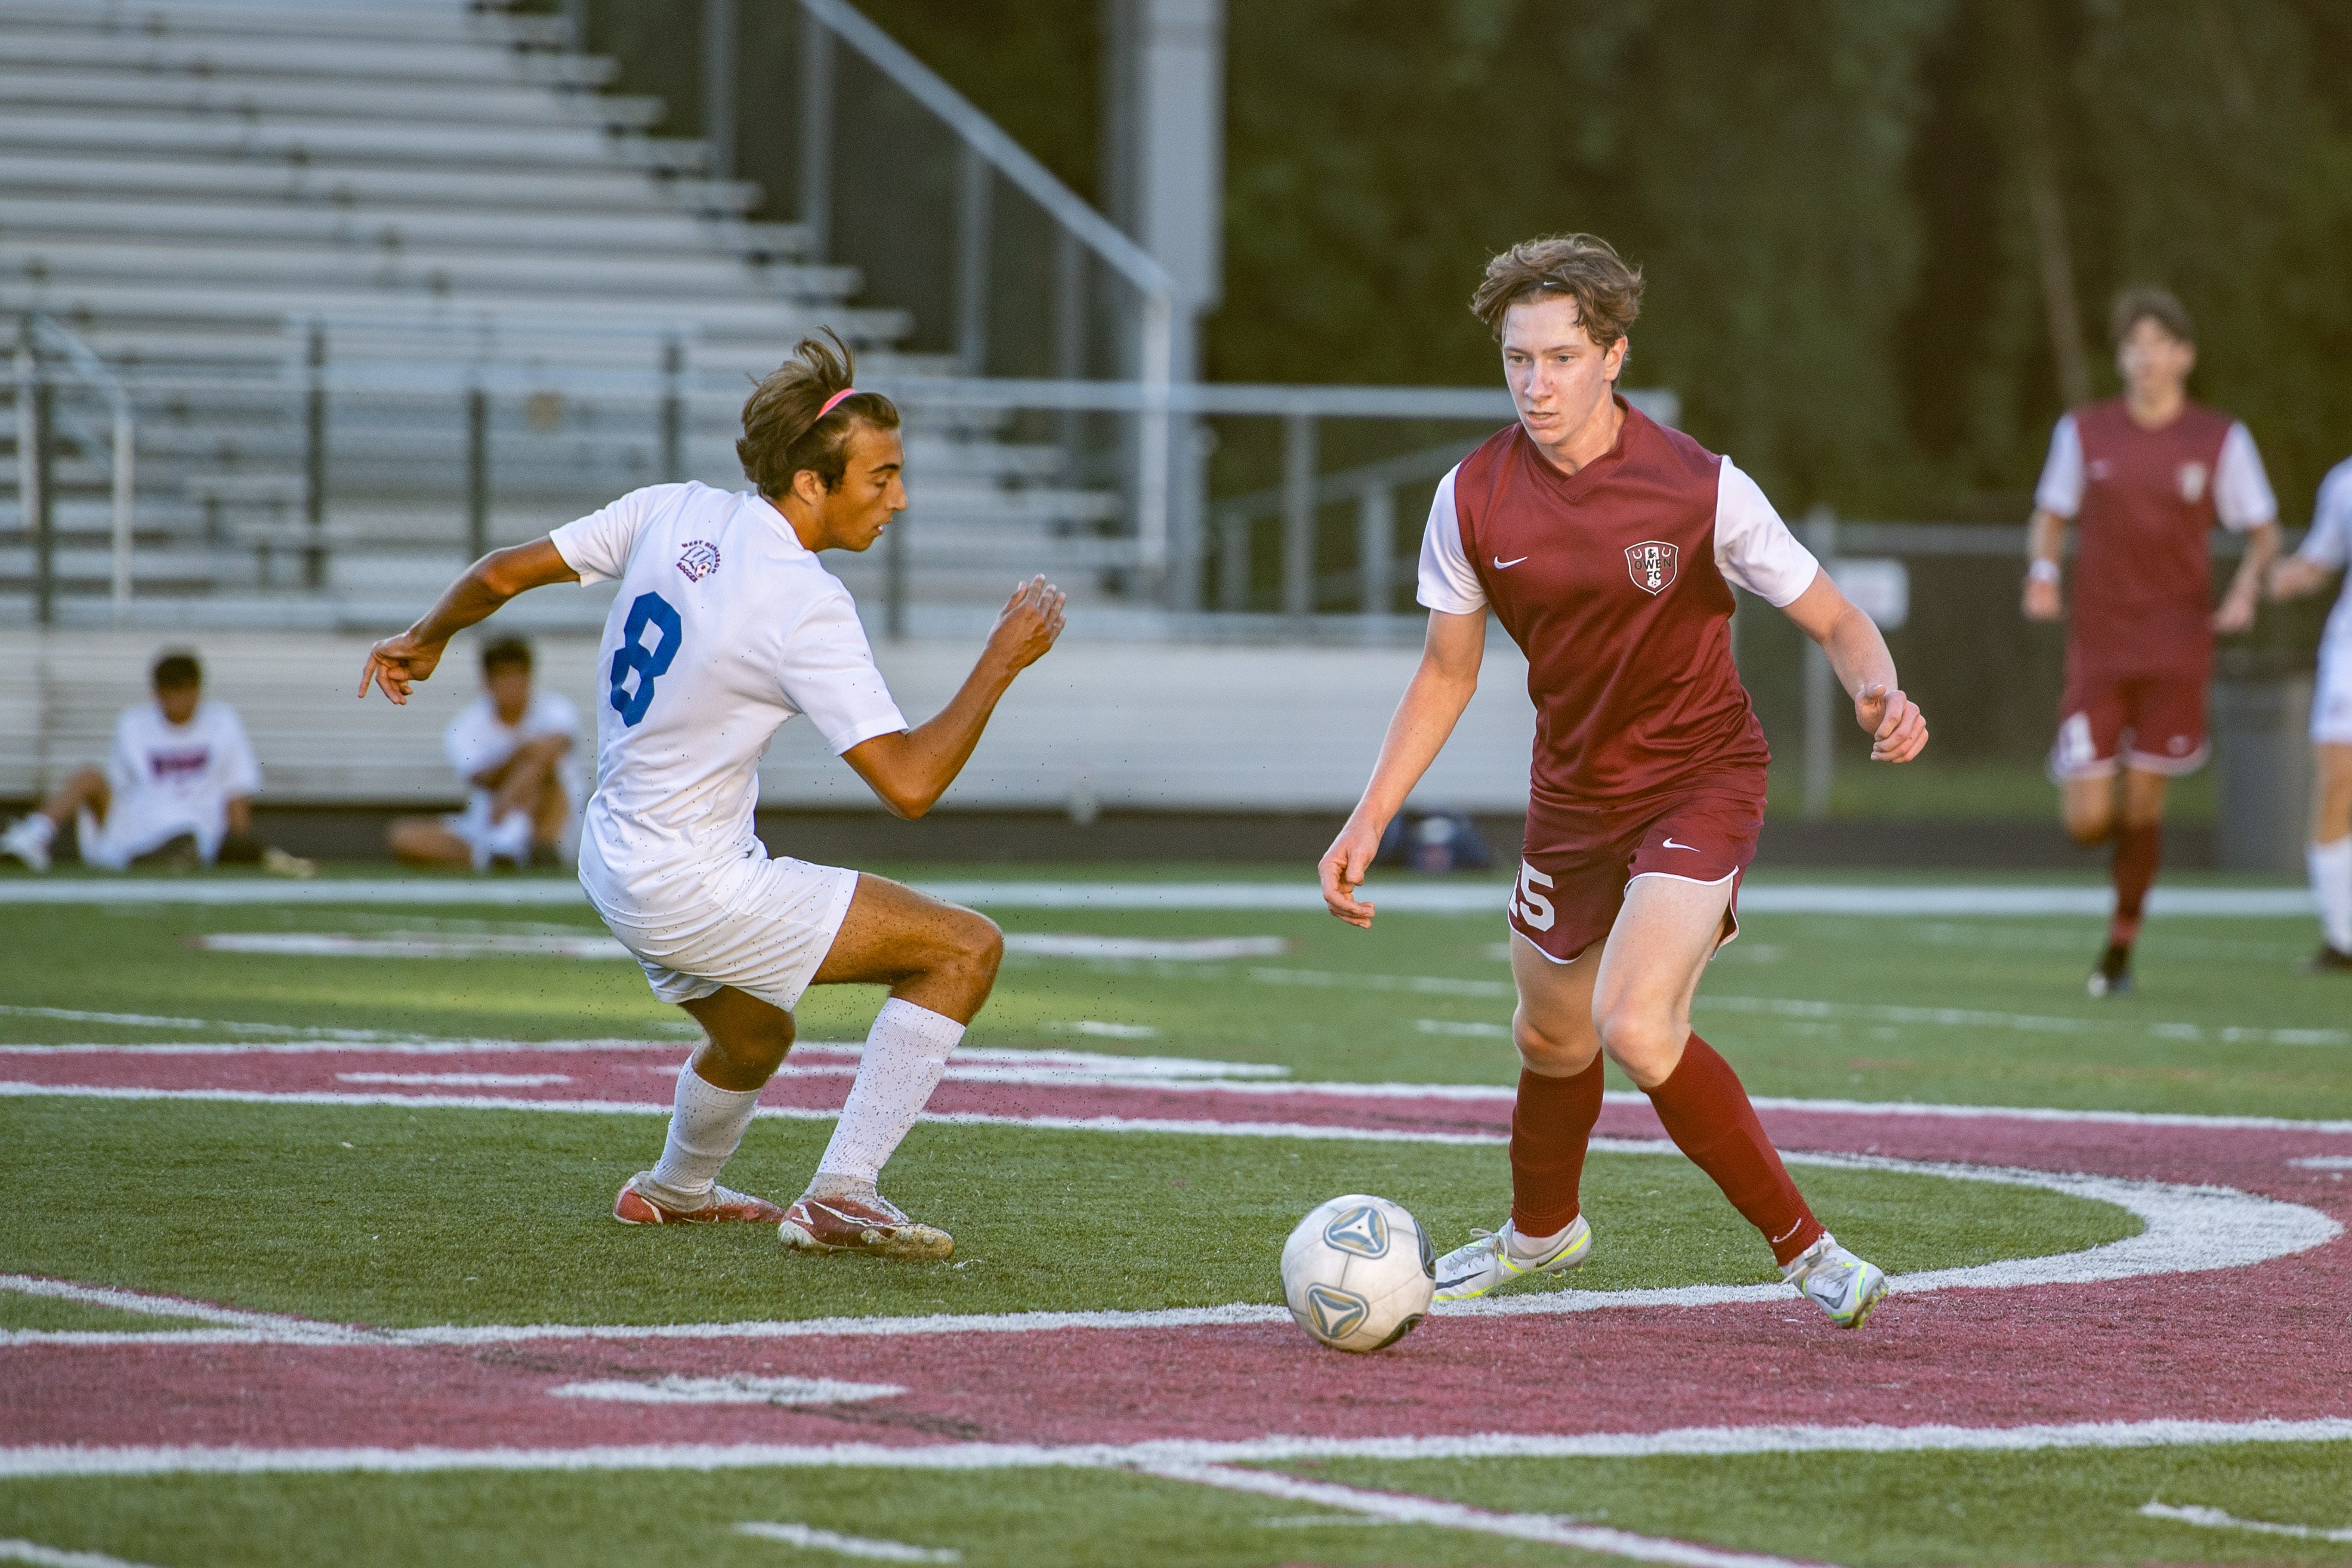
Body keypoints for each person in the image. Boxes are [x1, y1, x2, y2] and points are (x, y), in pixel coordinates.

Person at [1319, 234, 1928, 1331]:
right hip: (1573, 793)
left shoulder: (1701, 488)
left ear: (1612, 356)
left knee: (1637, 1023)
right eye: (1516, 360)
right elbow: (1446, 671)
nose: (1534, 384)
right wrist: (1370, 816)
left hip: (1701, 774)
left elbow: (1837, 620)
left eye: (1558, 357)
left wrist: (1878, 692)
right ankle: (1542, 1234)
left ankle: (1809, 1250)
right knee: (1550, 1037)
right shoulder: (1470, 497)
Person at [359, 332, 1064, 1258]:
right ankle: (842, 1193)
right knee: (963, 950)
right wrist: (998, 663)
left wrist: (426, 635)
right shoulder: (801, 600)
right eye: (881, 476)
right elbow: (910, 783)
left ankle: (674, 1190)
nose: (899, 497)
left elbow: (500, 571)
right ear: (811, 483)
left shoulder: (673, 509)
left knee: (756, 1037)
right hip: (690, 882)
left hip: (613, 860)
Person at [2023, 288, 2282, 997]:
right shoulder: (2085, 432)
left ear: (2184, 356)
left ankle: (2119, 949)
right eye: (2133, 344)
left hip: (2176, 646)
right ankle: (2121, 856)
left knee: (2144, 806)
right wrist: (2043, 574)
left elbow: (2263, 533)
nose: (2146, 356)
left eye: (2159, 343)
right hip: (2101, 646)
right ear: (2122, 357)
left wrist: (2244, 590)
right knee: (2088, 820)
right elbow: (2050, 514)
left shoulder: (2218, 438)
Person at [2, 650, 314, 877]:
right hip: (139, 821)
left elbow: (236, 789)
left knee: (184, 839)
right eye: (171, 694)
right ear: (157, 694)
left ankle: (168, 855)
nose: (179, 701)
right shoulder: (133, 724)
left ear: (197, 691)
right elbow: (119, 788)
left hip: (195, 830)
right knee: (88, 775)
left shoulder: (223, 722)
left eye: (186, 693)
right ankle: (32, 837)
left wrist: (240, 844)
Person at [387, 636, 582, 871]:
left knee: (541, 770)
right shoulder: (465, 726)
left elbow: (552, 751)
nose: (512, 685)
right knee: (404, 836)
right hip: (491, 823)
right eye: (503, 676)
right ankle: (502, 855)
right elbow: (482, 778)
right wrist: (521, 755)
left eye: (518, 676)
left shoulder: (556, 708)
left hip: (554, 822)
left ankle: (528, 847)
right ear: (488, 682)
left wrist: (512, 789)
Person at [2267, 454, 2352, 972]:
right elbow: (2320, 560)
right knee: (2339, 778)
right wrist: (2287, 577)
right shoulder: (2344, 481)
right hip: (2350, 649)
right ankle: (2343, 936)